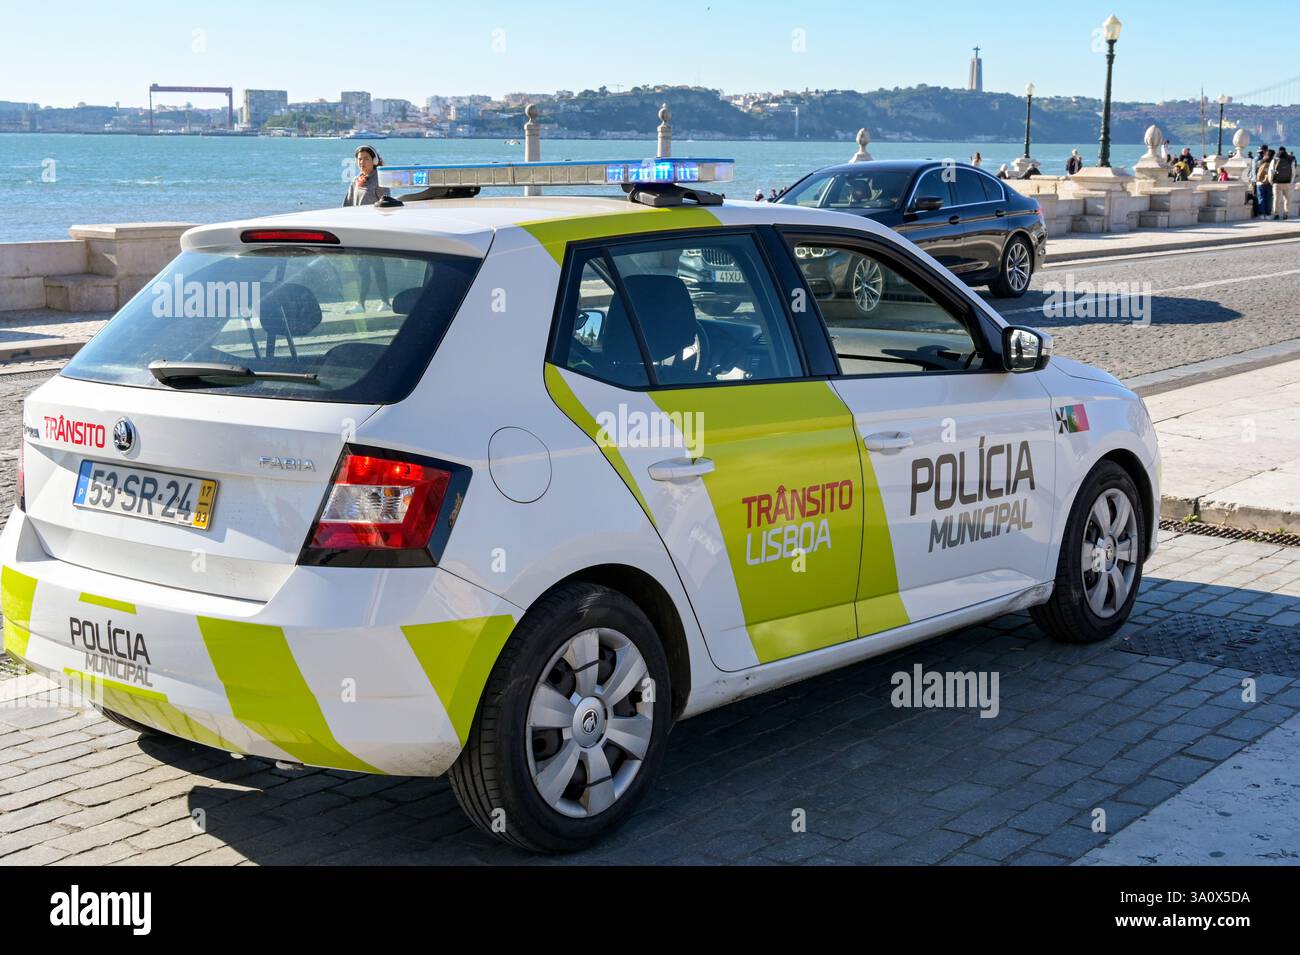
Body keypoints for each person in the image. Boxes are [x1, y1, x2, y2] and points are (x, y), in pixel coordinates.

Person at [342, 145, 391, 313]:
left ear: (374, 161)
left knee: (376, 268)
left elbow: (387, 205)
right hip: (358, 232)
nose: (362, 162)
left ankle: (377, 303)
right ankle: (366, 303)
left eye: (366, 159)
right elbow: (347, 205)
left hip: (374, 232)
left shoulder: (381, 180)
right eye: (359, 159)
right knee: (364, 269)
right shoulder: (356, 180)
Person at [1268, 146, 1293, 220]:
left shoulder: (1274, 160)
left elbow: (1271, 171)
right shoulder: (1290, 160)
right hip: (1287, 182)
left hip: (1277, 183)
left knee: (1276, 199)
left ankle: (1276, 214)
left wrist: (1271, 181)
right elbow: (1293, 172)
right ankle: (1286, 214)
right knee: (1287, 199)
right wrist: (1290, 181)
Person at [1256, 147, 1274, 219]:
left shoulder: (1260, 161)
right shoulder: (1273, 162)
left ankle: (1261, 214)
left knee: (1261, 198)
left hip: (1260, 182)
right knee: (1269, 198)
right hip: (1269, 182)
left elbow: (1255, 171)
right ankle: (1268, 214)